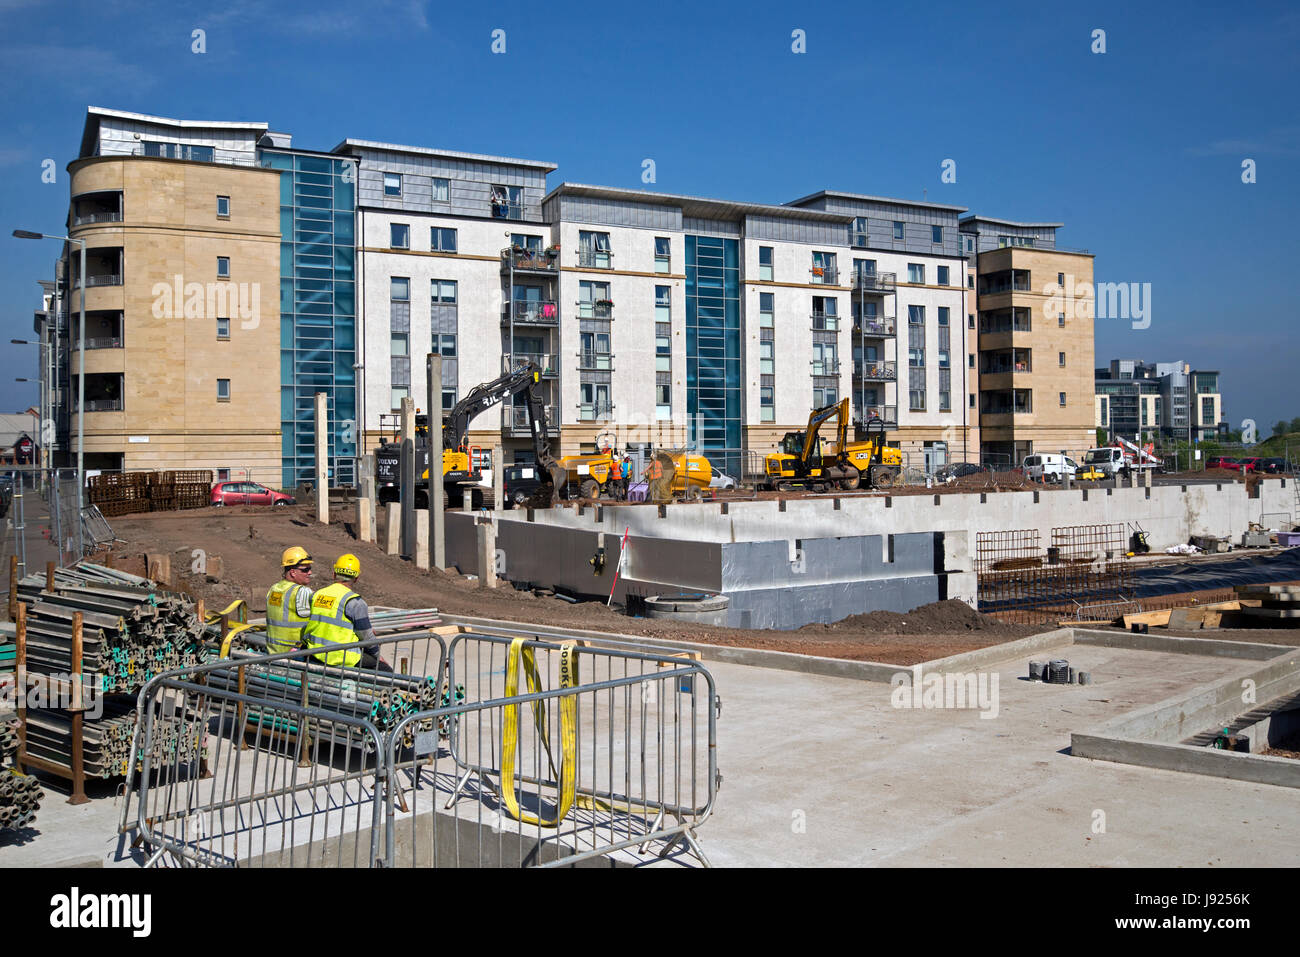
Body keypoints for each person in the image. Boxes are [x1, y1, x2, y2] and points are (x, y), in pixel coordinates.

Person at [302, 553, 392, 671]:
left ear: (334, 574)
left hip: (315, 652)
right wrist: (378, 656)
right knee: (386, 671)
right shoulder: (355, 602)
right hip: (341, 657)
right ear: (356, 578)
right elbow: (367, 637)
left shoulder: (316, 595)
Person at [265, 546, 314, 654]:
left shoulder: (273, 589)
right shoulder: (302, 592)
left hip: (272, 653)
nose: (310, 572)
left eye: (310, 569)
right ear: (293, 572)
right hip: (295, 654)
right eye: (305, 569)